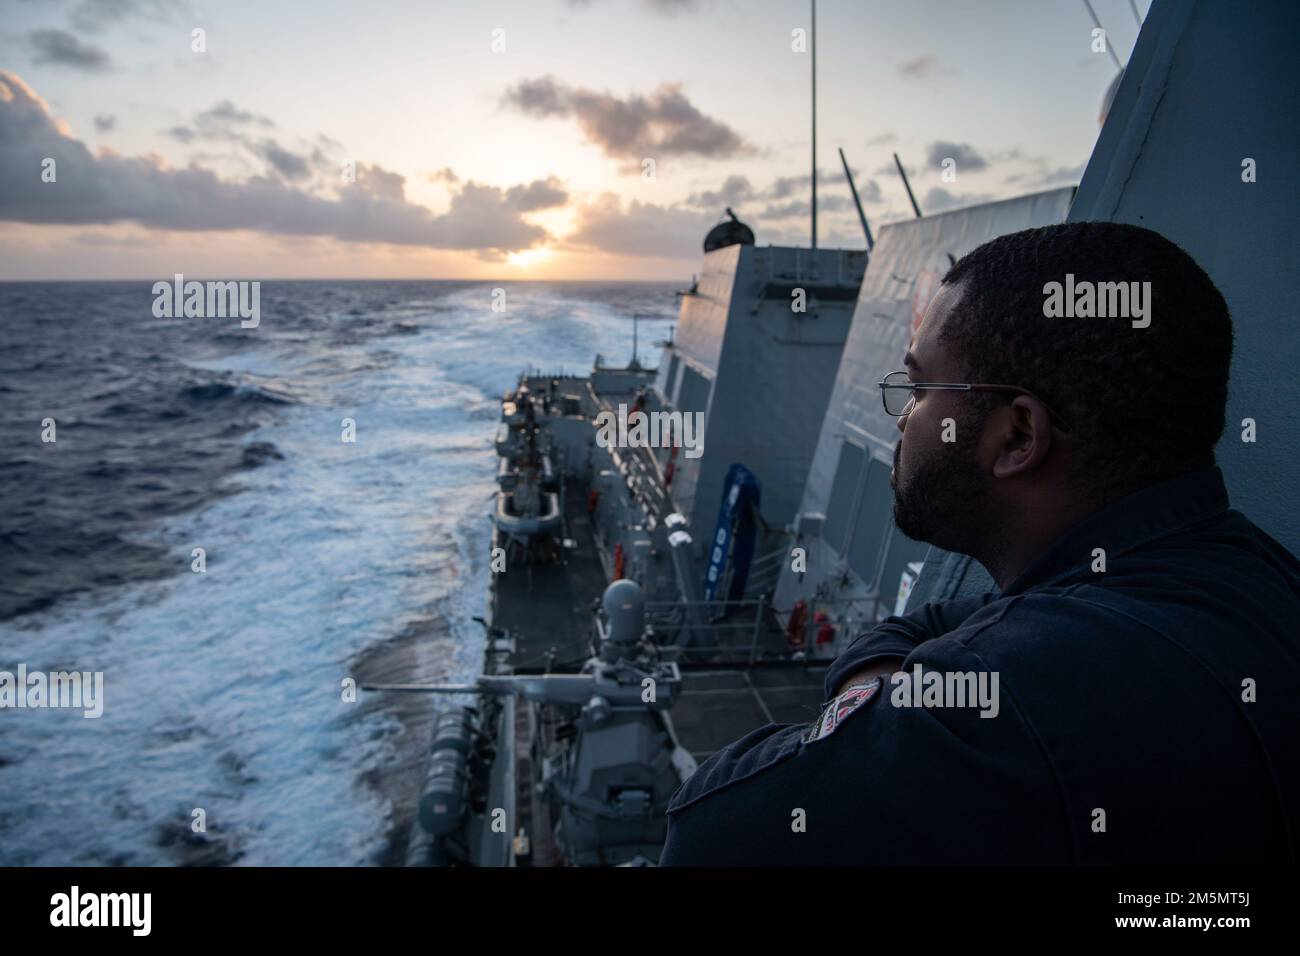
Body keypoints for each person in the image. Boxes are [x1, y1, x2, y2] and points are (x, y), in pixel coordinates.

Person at [660, 221, 1300, 866]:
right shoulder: (1256, 577)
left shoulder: (1006, 705)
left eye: (919, 389)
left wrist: (878, 705)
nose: (905, 416)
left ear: (1018, 435)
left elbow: (708, 833)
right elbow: (933, 622)